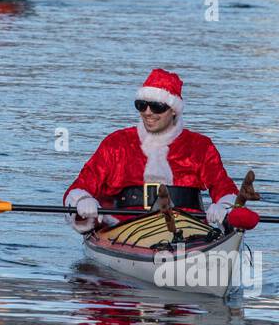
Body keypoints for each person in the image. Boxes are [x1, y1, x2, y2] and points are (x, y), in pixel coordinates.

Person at [64, 69, 260, 235]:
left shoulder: (200, 146)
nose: (148, 112)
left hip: (189, 228)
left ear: (174, 110)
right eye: (141, 105)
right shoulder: (116, 144)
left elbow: (223, 187)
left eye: (157, 106)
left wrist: (224, 207)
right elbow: (81, 185)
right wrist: (83, 200)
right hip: (122, 228)